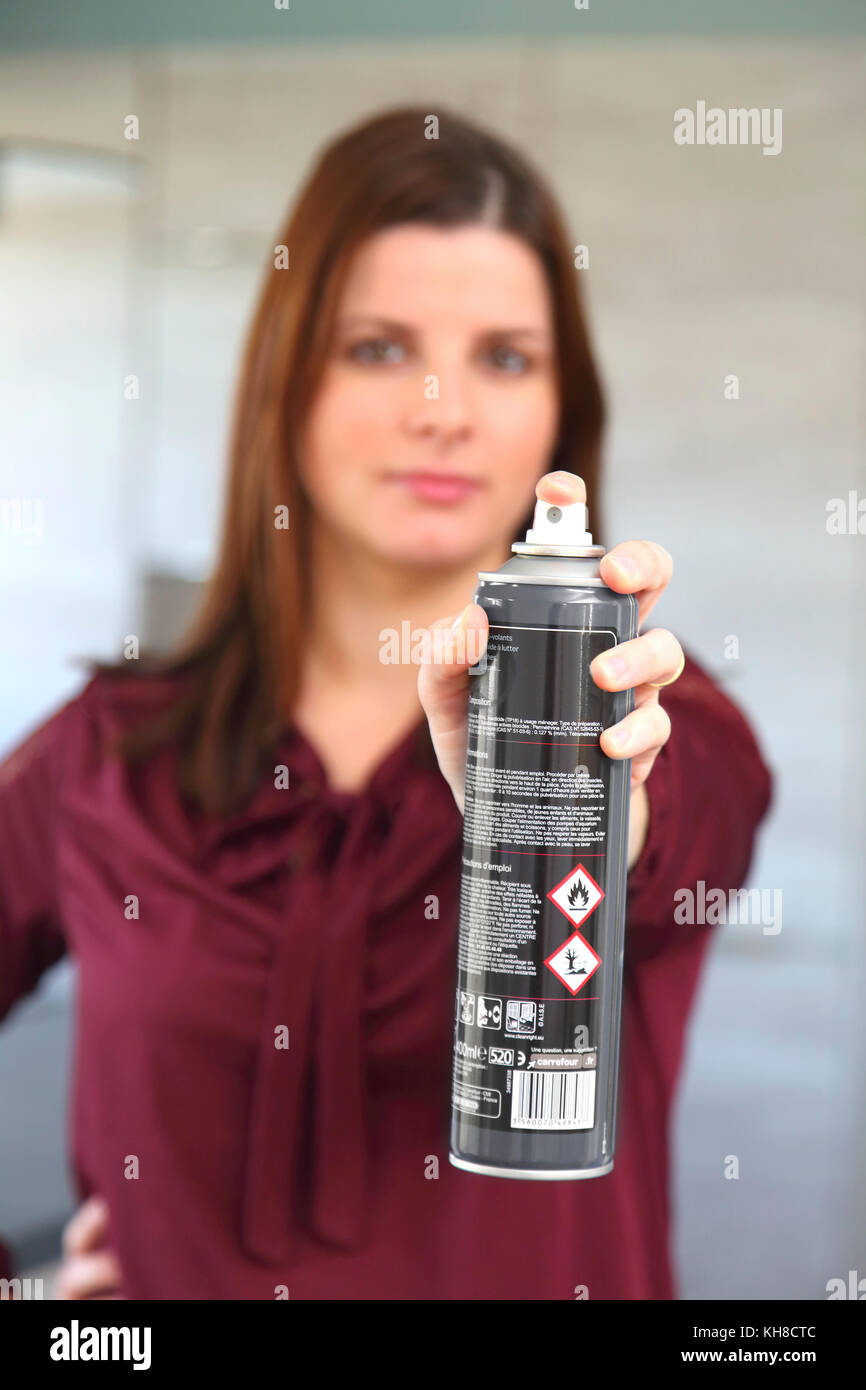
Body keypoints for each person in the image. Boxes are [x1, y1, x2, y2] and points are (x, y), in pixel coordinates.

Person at [0, 106, 772, 1301]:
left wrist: (586, 807)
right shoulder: (100, 758)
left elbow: (675, 822)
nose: (442, 410)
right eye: (377, 346)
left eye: (504, 356)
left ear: (558, 409)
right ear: (286, 378)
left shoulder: (668, 725)